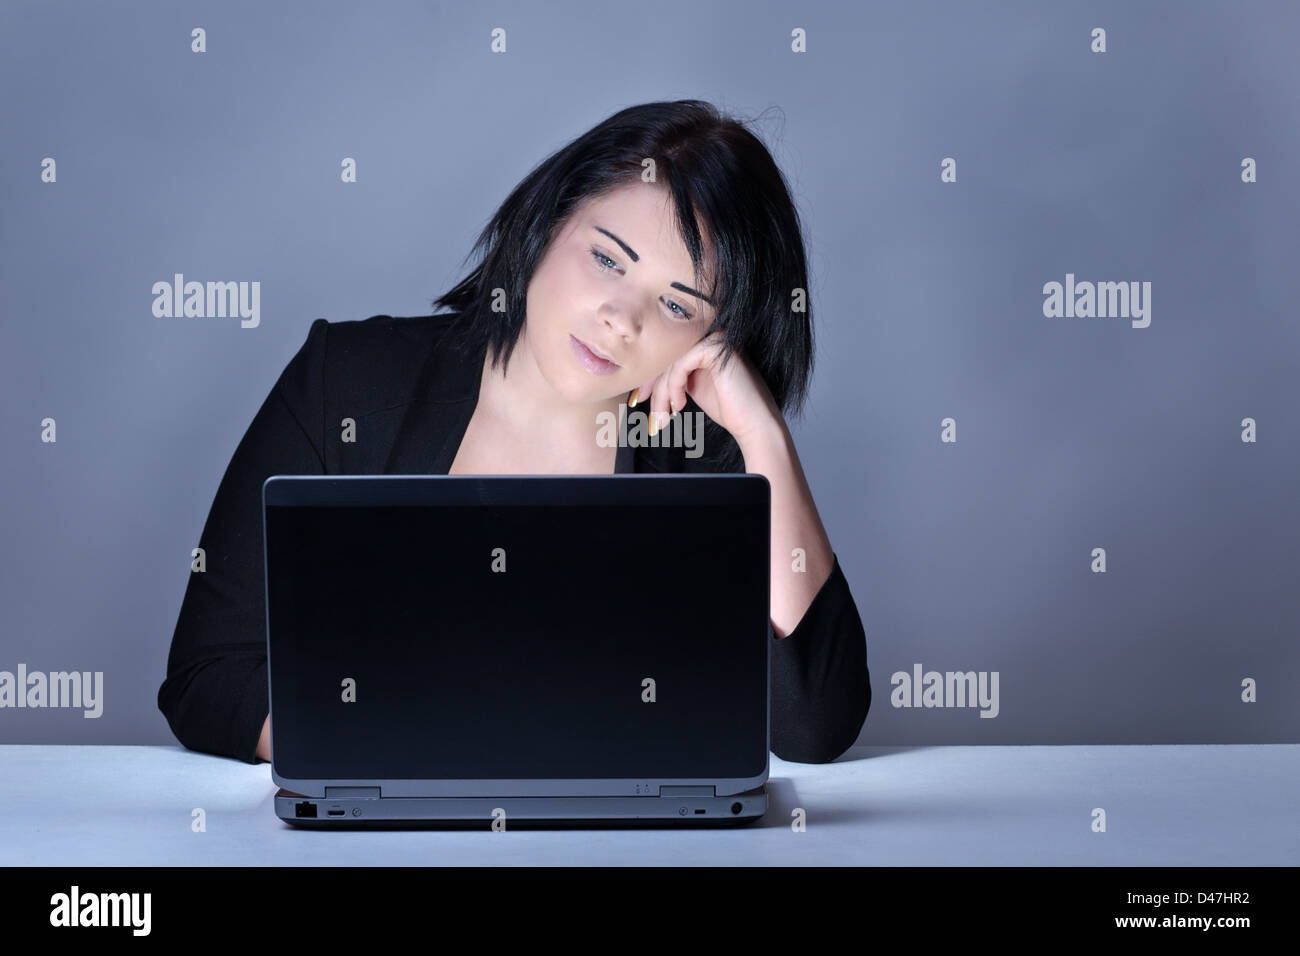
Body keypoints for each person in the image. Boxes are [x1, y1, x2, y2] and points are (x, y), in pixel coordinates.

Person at [158, 100, 872, 766]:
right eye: (607, 260)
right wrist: (400, 754)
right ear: (550, 223)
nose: (621, 318)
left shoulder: (702, 455)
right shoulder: (347, 382)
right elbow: (208, 676)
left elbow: (813, 725)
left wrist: (763, 434)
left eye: (678, 304)